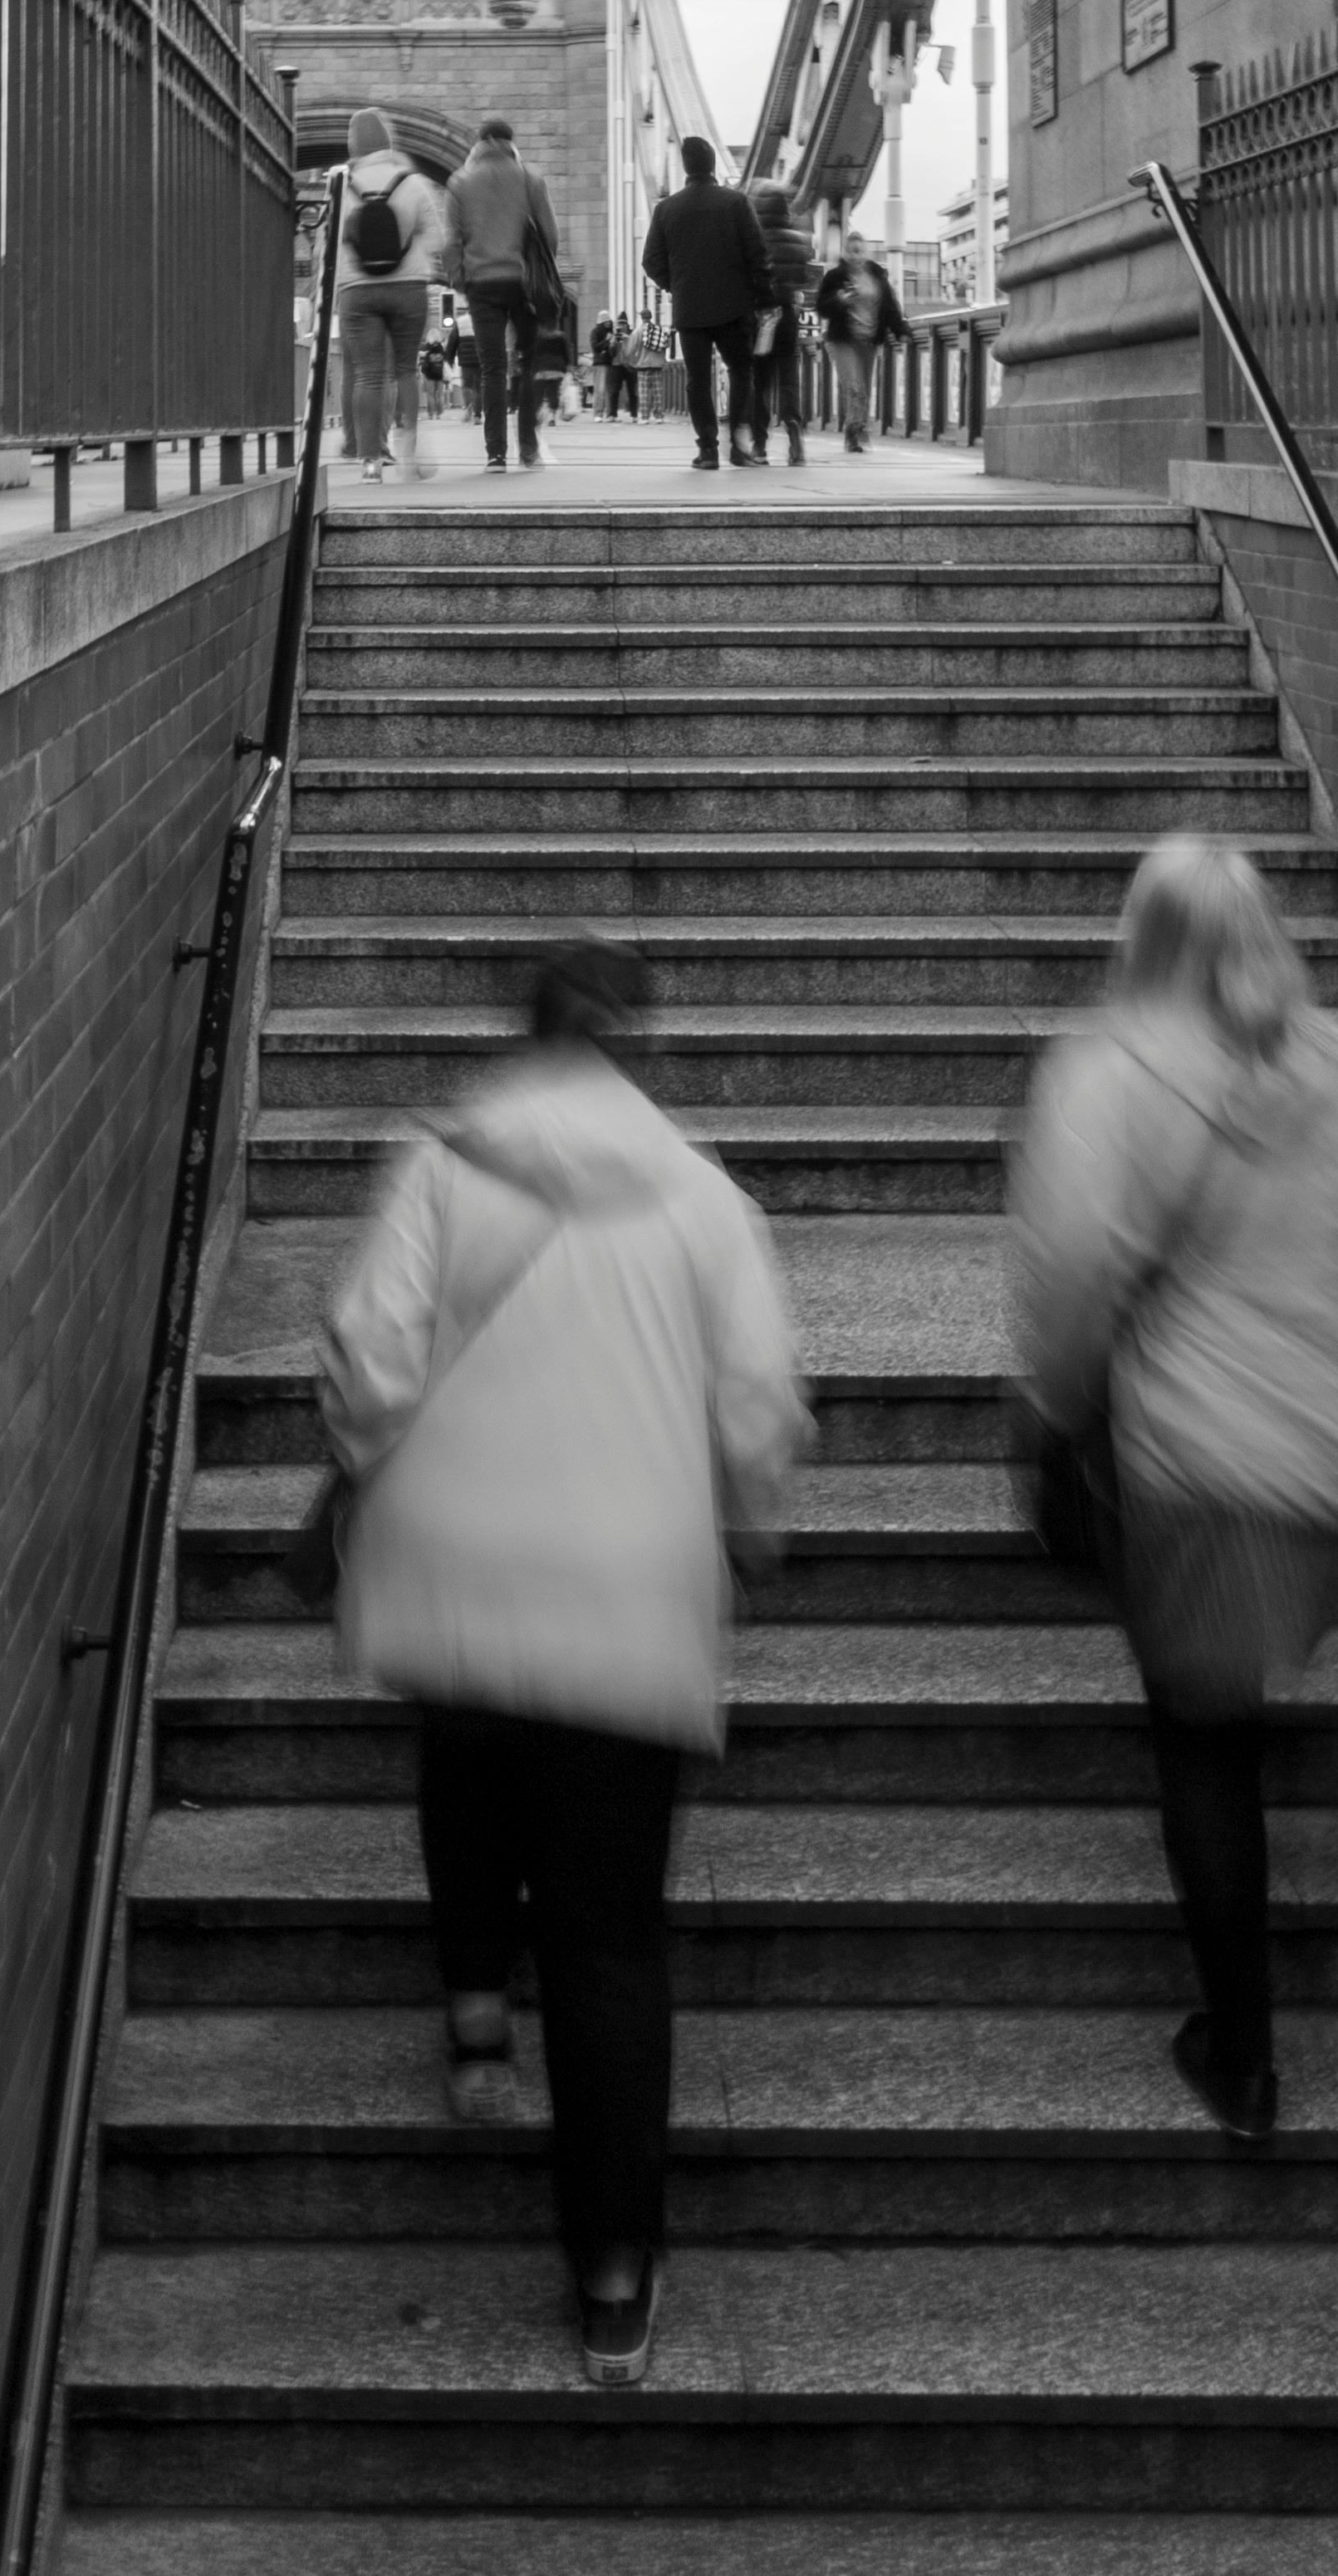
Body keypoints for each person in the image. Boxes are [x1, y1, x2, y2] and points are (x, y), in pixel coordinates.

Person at [318, 934, 810, 2386]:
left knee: (463, 1760)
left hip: (458, 1566)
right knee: (607, 1940)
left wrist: (359, 1464)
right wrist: (749, 1516)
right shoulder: (702, 1197)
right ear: (627, 1047)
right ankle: (610, 2276)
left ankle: (474, 2006)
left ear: (524, 1040)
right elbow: (758, 1403)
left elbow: (367, 1351)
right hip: (621, 1596)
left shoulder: (439, 1161)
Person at [1010, 837, 1338, 2142]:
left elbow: (1071, 1280)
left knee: (1200, 1738)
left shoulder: (1109, 1071)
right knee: (1225, 1694)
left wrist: (1049, 1416)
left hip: (1207, 1462)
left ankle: (1246, 2056)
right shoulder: (1331, 1061)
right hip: (1334, 1461)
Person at [640, 135, 774, 473]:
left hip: (691, 309)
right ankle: (738, 444)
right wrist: (761, 297)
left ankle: (708, 450)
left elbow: (651, 261)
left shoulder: (666, 209)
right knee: (742, 371)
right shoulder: (736, 203)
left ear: (685, 167)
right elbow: (758, 255)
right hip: (734, 305)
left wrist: (677, 285)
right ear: (713, 165)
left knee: (697, 380)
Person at [334, 106, 448, 487]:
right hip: (408, 288)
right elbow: (438, 239)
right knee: (404, 371)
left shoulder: (342, 184)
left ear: (354, 145)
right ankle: (409, 456)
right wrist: (405, 246)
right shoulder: (412, 182)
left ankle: (369, 463)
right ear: (388, 141)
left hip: (357, 291)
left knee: (367, 375)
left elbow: (329, 245)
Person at [446, 112, 561, 474]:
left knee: (492, 368)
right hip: (523, 283)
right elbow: (550, 235)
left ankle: (495, 454)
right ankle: (529, 450)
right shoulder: (530, 178)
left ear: (480, 143)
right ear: (512, 144)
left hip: (481, 284)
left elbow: (451, 242)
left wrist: (459, 278)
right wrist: (541, 270)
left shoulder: (460, 182)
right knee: (528, 365)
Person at [813, 225, 905, 450]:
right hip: (842, 340)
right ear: (845, 253)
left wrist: (901, 330)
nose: (856, 256)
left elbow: (890, 307)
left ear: (866, 253)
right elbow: (821, 307)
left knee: (864, 388)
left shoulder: (877, 276)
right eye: (852, 251)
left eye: (860, 251)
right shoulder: (835, 277)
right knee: (855, 387)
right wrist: (839, 300)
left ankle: (858, 428)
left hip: (869, 340)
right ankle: (854, 432)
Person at [746, 185, 816, 465]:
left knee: (760, 382)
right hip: (787, 316)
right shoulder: (797, 240)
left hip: (761, 317)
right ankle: (795, 433)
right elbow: (804, 278)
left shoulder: (753, 240)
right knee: (789, 379)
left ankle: (760, 446)